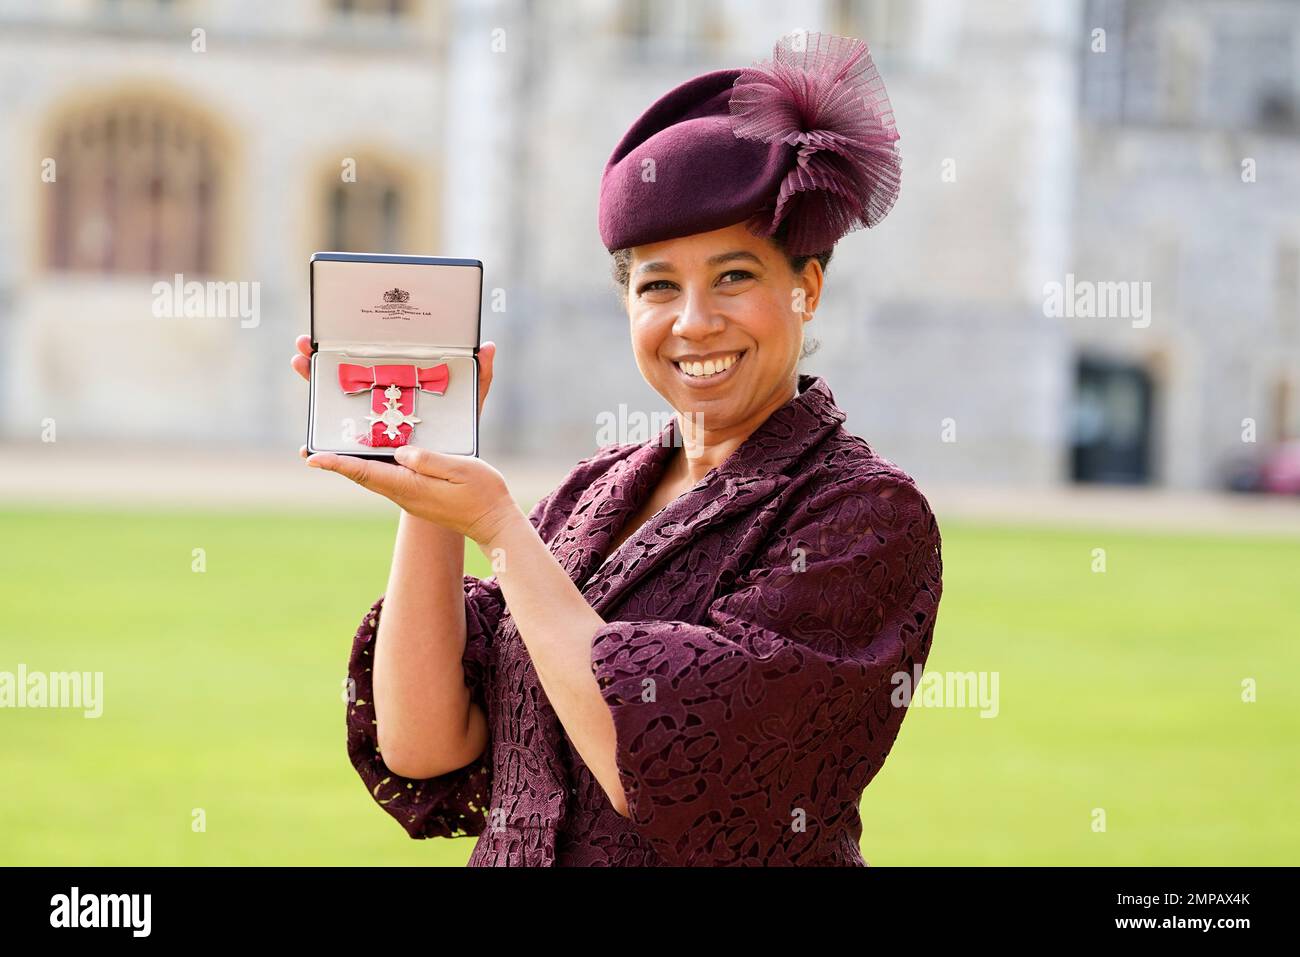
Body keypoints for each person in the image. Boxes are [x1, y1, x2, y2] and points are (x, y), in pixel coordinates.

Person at [293, 30, 943, 866]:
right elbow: (425, 745)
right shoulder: (593, 491)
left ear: (805, 288)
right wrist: (432, 467)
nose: (694, 321)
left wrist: (498, 527)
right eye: (658, 285)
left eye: (734, 276)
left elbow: (674, 772)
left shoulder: (864, 513)